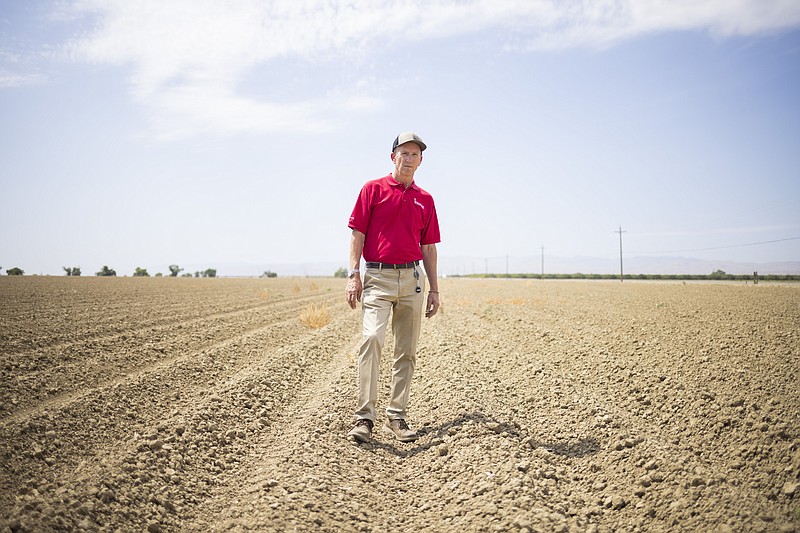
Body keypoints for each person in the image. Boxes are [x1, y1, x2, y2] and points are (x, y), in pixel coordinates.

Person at [345, 131, 441, 443]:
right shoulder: (372, 189)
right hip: (378, 277)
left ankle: (396, 416)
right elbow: (357, 234)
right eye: (404, 153)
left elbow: (428, 248)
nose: (409, 159)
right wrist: (353, 274)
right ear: (393, 157)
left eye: (415, 154)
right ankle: (364, 418)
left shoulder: (425, 199)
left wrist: (435, 290)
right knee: (372, 339)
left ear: (421, 160)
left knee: (407, 350)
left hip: (413, 280)